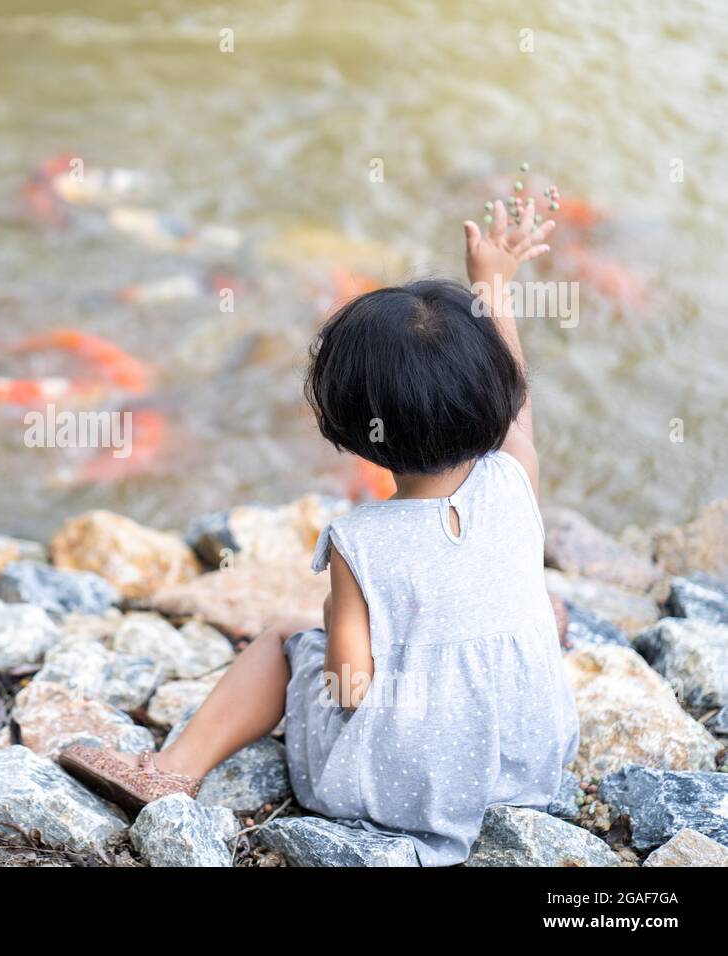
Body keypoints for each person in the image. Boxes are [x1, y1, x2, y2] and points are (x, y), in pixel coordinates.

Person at [59, 201, 580, 866]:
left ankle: (171, 771)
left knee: (283, 634)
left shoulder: (359, 541)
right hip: (526, 762)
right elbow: (519, 404)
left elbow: (350, 685)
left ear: (349, 424)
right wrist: (494, 286)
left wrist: (338, 612)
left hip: (398, 786)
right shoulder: (515, 475)